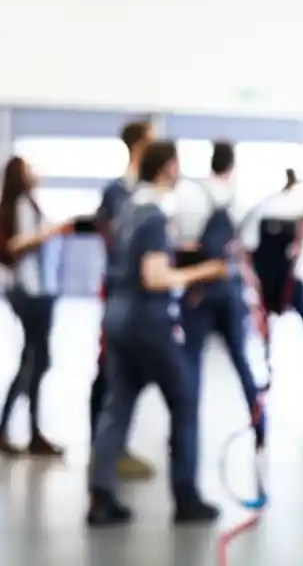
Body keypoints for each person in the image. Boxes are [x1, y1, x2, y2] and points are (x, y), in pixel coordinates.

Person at [87, 140, 228, 526]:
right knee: (183, 401)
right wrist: (206, 271)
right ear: (167, 168)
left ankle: (100, 497)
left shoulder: (128, 208)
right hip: (147, 321)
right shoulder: (152, 216)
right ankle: (186, 498)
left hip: (117, 315)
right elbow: (155, 276)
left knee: (118, 405)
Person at [173, 141, 264, 442]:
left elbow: (178, 241)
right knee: (240, 358)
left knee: (191, 360)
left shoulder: (190, 195)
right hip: (228, 287)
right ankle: (259, 423)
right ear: (232, 164)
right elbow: (246, 249)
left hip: (196, 289)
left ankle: (184, 433)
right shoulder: (238, 200)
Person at [0, 156, 72, 457]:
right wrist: (50, 232)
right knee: (34, 362)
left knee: (36, 360)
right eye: (29, 170)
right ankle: (21, 432)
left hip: (38, 291)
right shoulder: (20, 206)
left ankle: (20, 430)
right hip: (31, 293)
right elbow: (15, 245)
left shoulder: (25, 204)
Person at [90, 120, 158, 481]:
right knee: (109, 369)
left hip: (143, 294)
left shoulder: (147, 191)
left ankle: (115, 447)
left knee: (128, 374)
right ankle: (101, 449)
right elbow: (117, 239)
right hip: (121, 291)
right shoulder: (119, 192)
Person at [246, 168, 303, 389]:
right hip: (273, 280)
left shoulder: (288, 207)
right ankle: (269, 371)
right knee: (269, 329)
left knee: (302, 324)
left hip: (282, 280)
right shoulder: (272, 208)